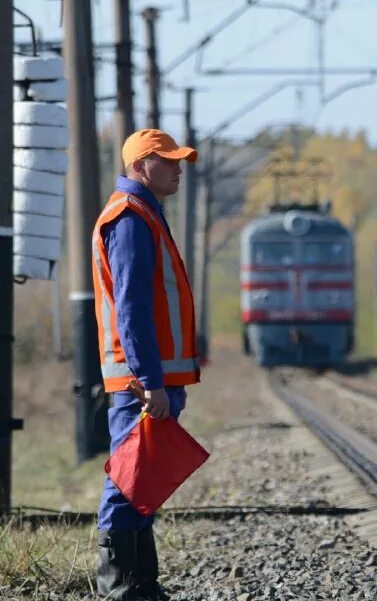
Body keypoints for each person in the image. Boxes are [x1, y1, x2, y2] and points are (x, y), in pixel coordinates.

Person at [91, 129, 201, 600]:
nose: (179, 169)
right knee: (129, 479)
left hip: (150, 379)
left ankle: (141, 584)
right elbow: (132, 309)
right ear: (140, 166)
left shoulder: (145, 215)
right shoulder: (131, 218)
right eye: (169, 161)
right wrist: (152, 382)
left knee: (143, 481)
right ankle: (119, 588)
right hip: (140, 382)